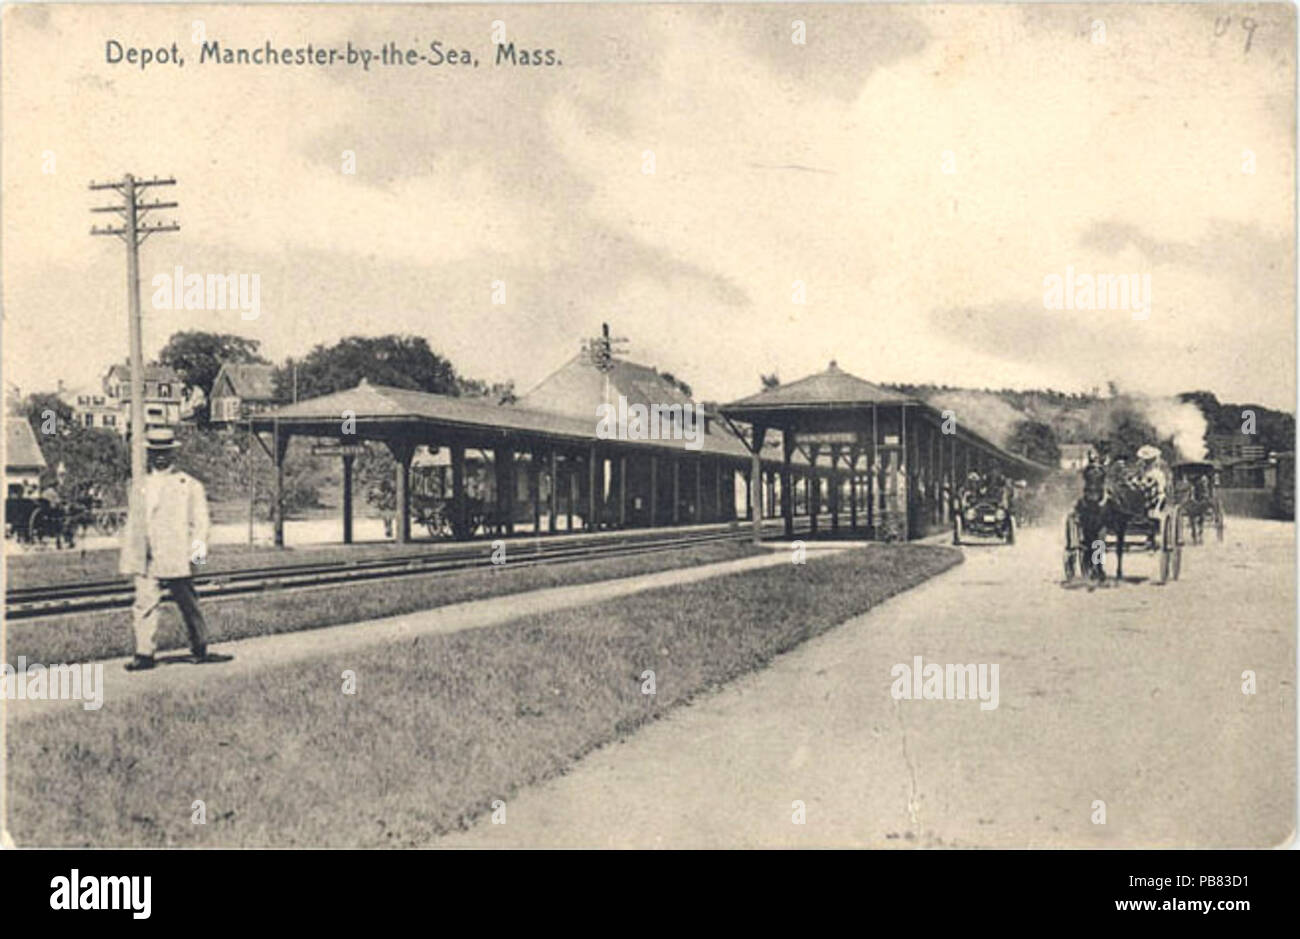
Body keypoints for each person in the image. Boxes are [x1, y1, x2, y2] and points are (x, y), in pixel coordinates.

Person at [118, 426, 231, 671]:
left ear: (173, 453)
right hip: (147, 556)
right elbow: (134, 523)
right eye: (155, 452)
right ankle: (144, 654)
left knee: (188, 603)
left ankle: (200, 646)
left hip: (178, 557)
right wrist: (131, 556)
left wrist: (197, 559)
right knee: (144, 604)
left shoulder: (189, 485)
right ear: (149, 454)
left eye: (165, 451)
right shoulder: (140, 485)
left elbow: (201, 525)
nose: (160, 456)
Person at [1135, 444, 1169, 520]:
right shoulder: (1141, 472)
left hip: (1154, 496)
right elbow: (1137, 480)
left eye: (1148, 461)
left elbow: (1161, 487)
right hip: (1142, 495)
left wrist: (1150, 485)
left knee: (1160, 497)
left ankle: (1156, 513)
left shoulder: (1157, 473)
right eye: (1144, 460)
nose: (1145, 463)